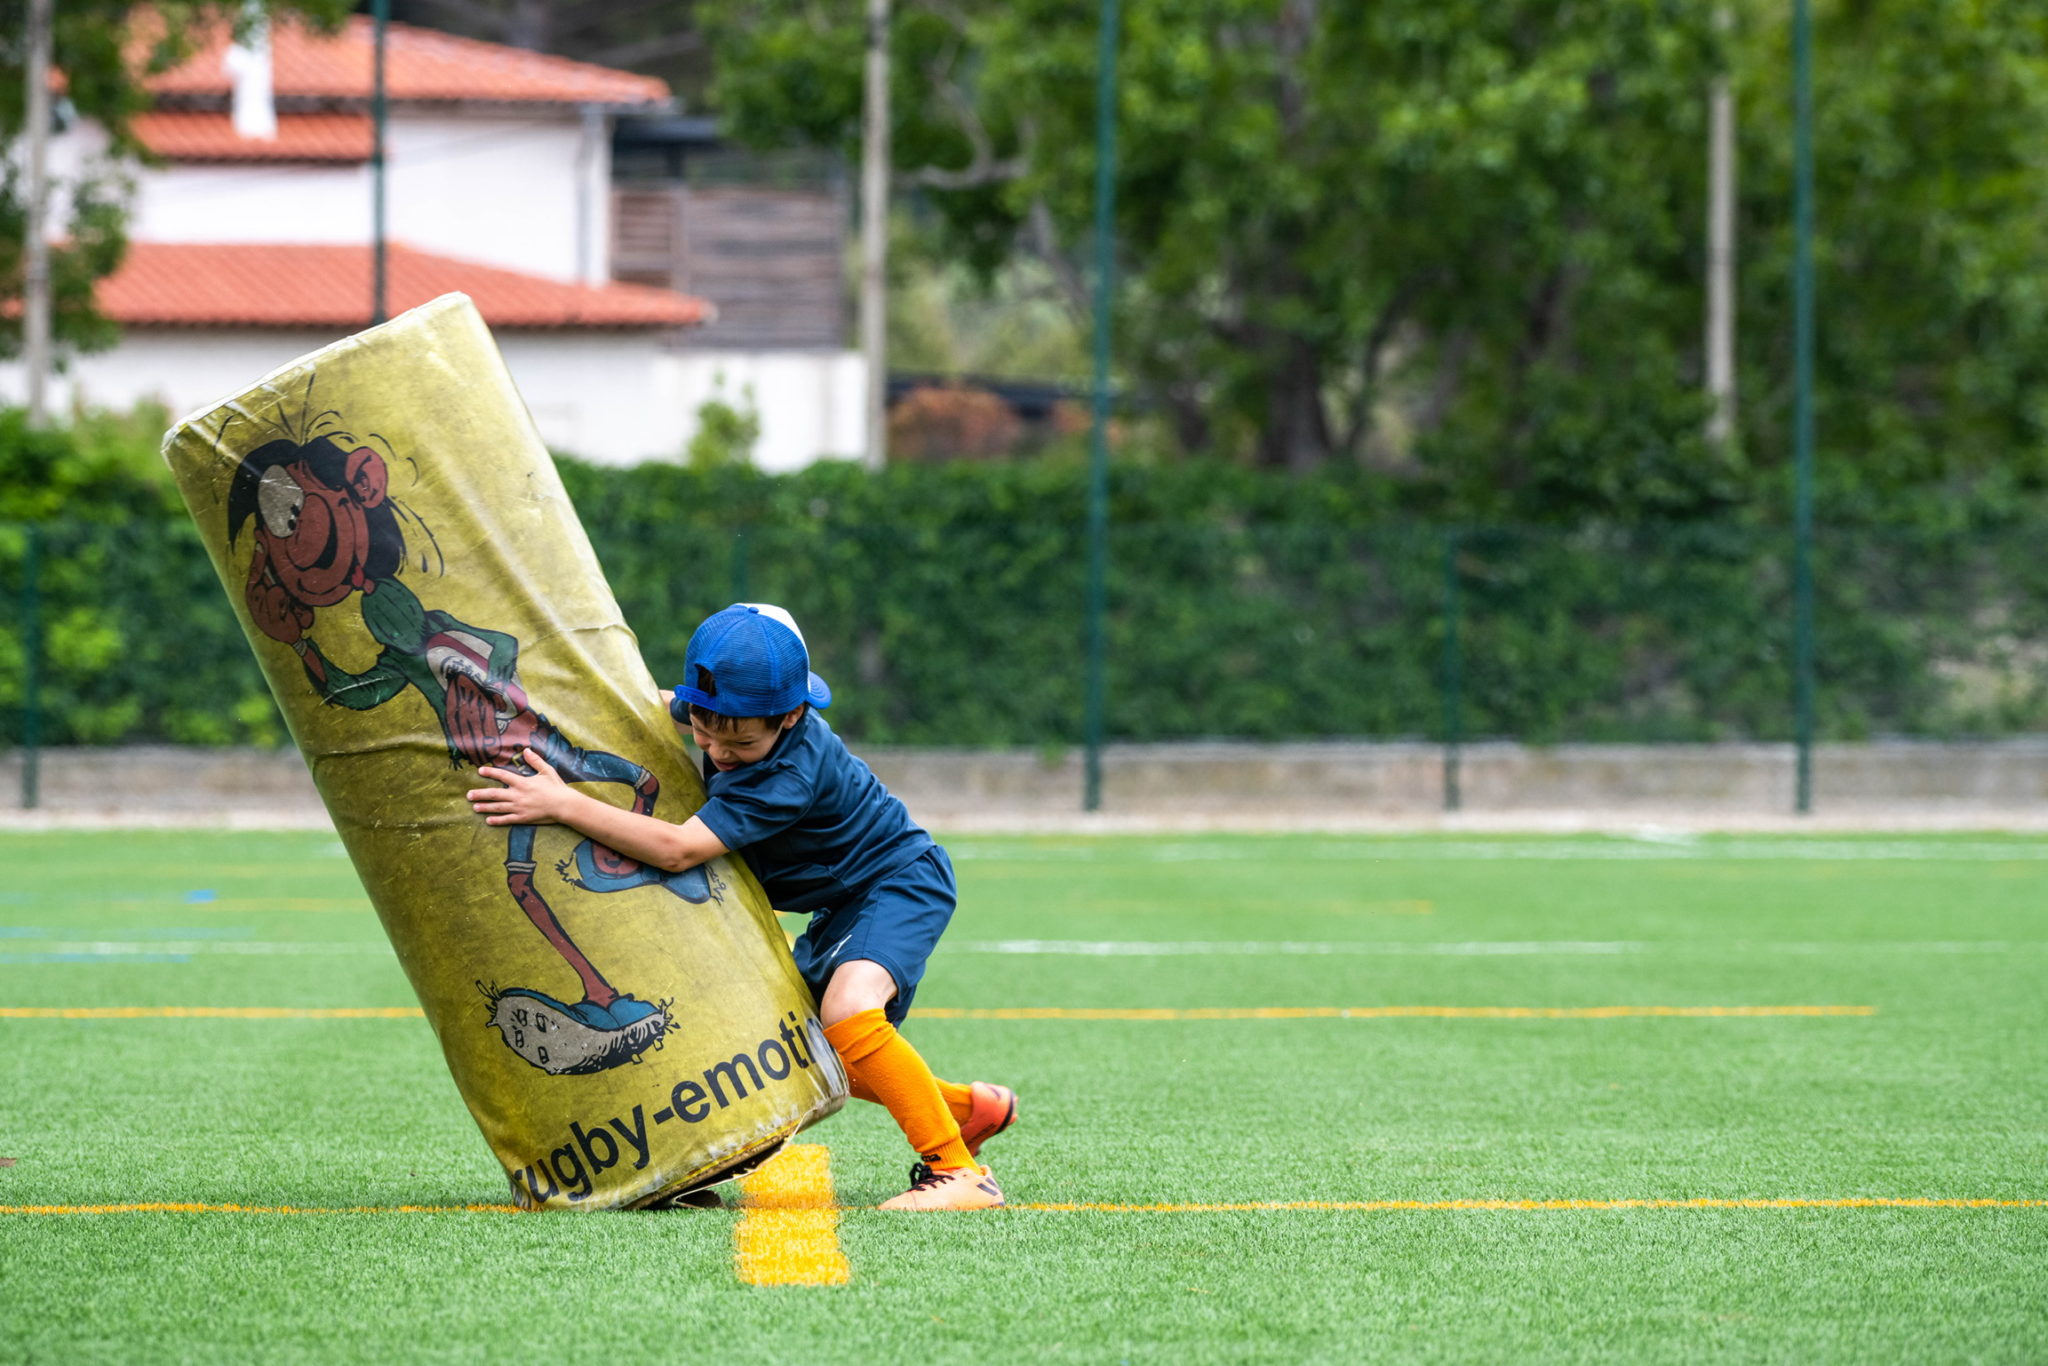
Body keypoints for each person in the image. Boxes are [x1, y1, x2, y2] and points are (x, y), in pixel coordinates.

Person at [466, 602, 1017, 1211]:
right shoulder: (727, 712)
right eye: (704, 734)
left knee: (849, 1010)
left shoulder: (789, 774)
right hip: (842, 901)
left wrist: (563, 803)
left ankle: (960, 1172)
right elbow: (647, 705)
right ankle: (968, 1110)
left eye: (741, 743)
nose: (719, 753)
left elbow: (678, 849)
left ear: (791, 716)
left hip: (898, 880)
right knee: (807, 1049)